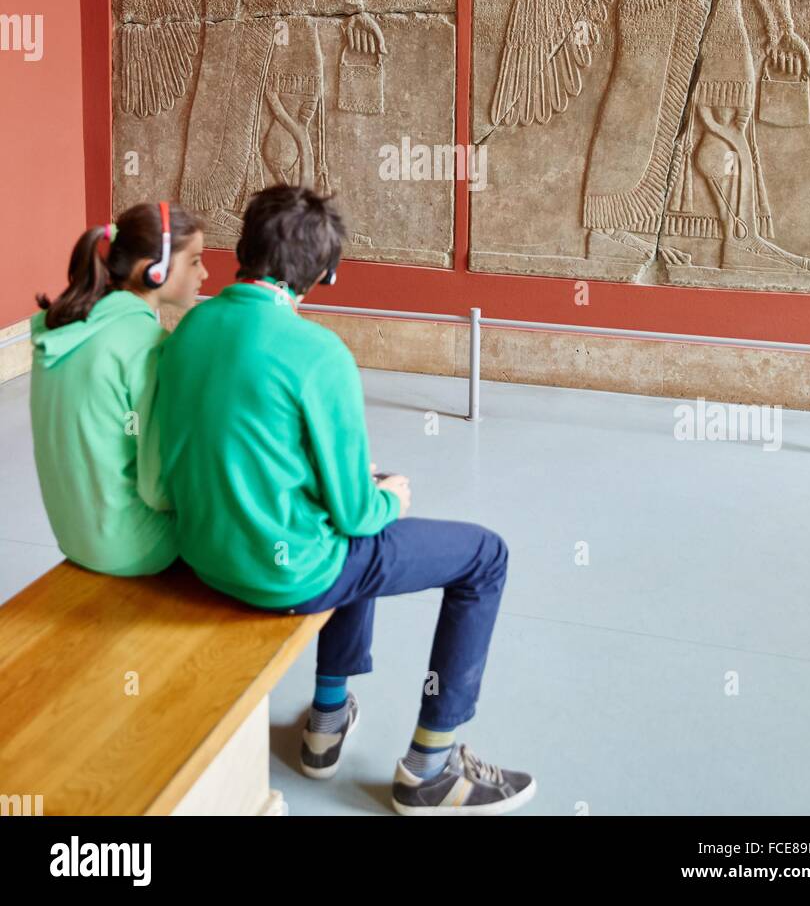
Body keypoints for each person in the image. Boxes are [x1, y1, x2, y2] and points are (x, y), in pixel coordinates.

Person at [157, 184, 537, 816]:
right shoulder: (319, 353)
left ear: (242, 248)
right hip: (285, 573)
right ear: (327, 274)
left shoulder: (192, 325)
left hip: (204, 553)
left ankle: (328, 718)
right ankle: (430, 770)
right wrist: (387, 497)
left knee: (356, 524)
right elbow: (357, 515)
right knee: (481, 556)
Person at [30, 202, 207, 577]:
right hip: (135, 548)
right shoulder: (147, 345)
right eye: (194, 261)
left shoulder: (65, 327)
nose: (204, 273)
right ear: (154, 271)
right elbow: (158, 491)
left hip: (74, 535)